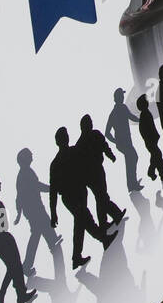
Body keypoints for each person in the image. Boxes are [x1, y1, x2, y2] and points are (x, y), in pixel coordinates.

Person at [49, 127, 117, 270]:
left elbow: (86, 167)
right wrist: (53, 212)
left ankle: (76, 258)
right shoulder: (59, 160)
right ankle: (104, 239)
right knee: (86, 219)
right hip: (72, 197)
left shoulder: (69, 154)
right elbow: (53, 190)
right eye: (65, 136)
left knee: (80, 225)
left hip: (79, 193)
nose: (67, 138)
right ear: (61, 141)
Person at [0, 175, 36, 303]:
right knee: (14, 266)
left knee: (12, 268)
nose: (0, 184)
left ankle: (6, 298)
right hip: (3, 240)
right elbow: (3, 226)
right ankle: (16, 296)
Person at [13, 147, 61, 276]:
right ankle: (27, 265)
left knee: (41, 230)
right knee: (36, 234)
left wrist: (19, 213)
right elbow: (35, 187)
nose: (32, 156)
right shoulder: (25, 174)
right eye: (29, 155)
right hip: (34, 210)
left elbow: (19, 197)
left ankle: (52, 241)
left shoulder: (25, 173)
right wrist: (52, 189)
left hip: (34, 209)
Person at [75, 113, 125, 232]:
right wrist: (110, 155)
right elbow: (105, 147)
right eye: (89, 122)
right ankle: (114, 215)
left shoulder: (81, 143)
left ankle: (106, 222)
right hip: (94, 173)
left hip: (92, 174)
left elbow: (105, 146)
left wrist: (110, 155)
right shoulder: (89, 138)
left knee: (100, 197)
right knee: (102, 196)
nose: (91, 124)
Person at [135, 93, 163, 181]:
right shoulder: (145, 115)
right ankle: (161, 174)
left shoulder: (146, 114)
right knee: (157, 156)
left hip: (151, 141)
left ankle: (152, 172)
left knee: (155, 156)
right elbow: (145, 130)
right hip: (151, 141)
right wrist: (152, 138)